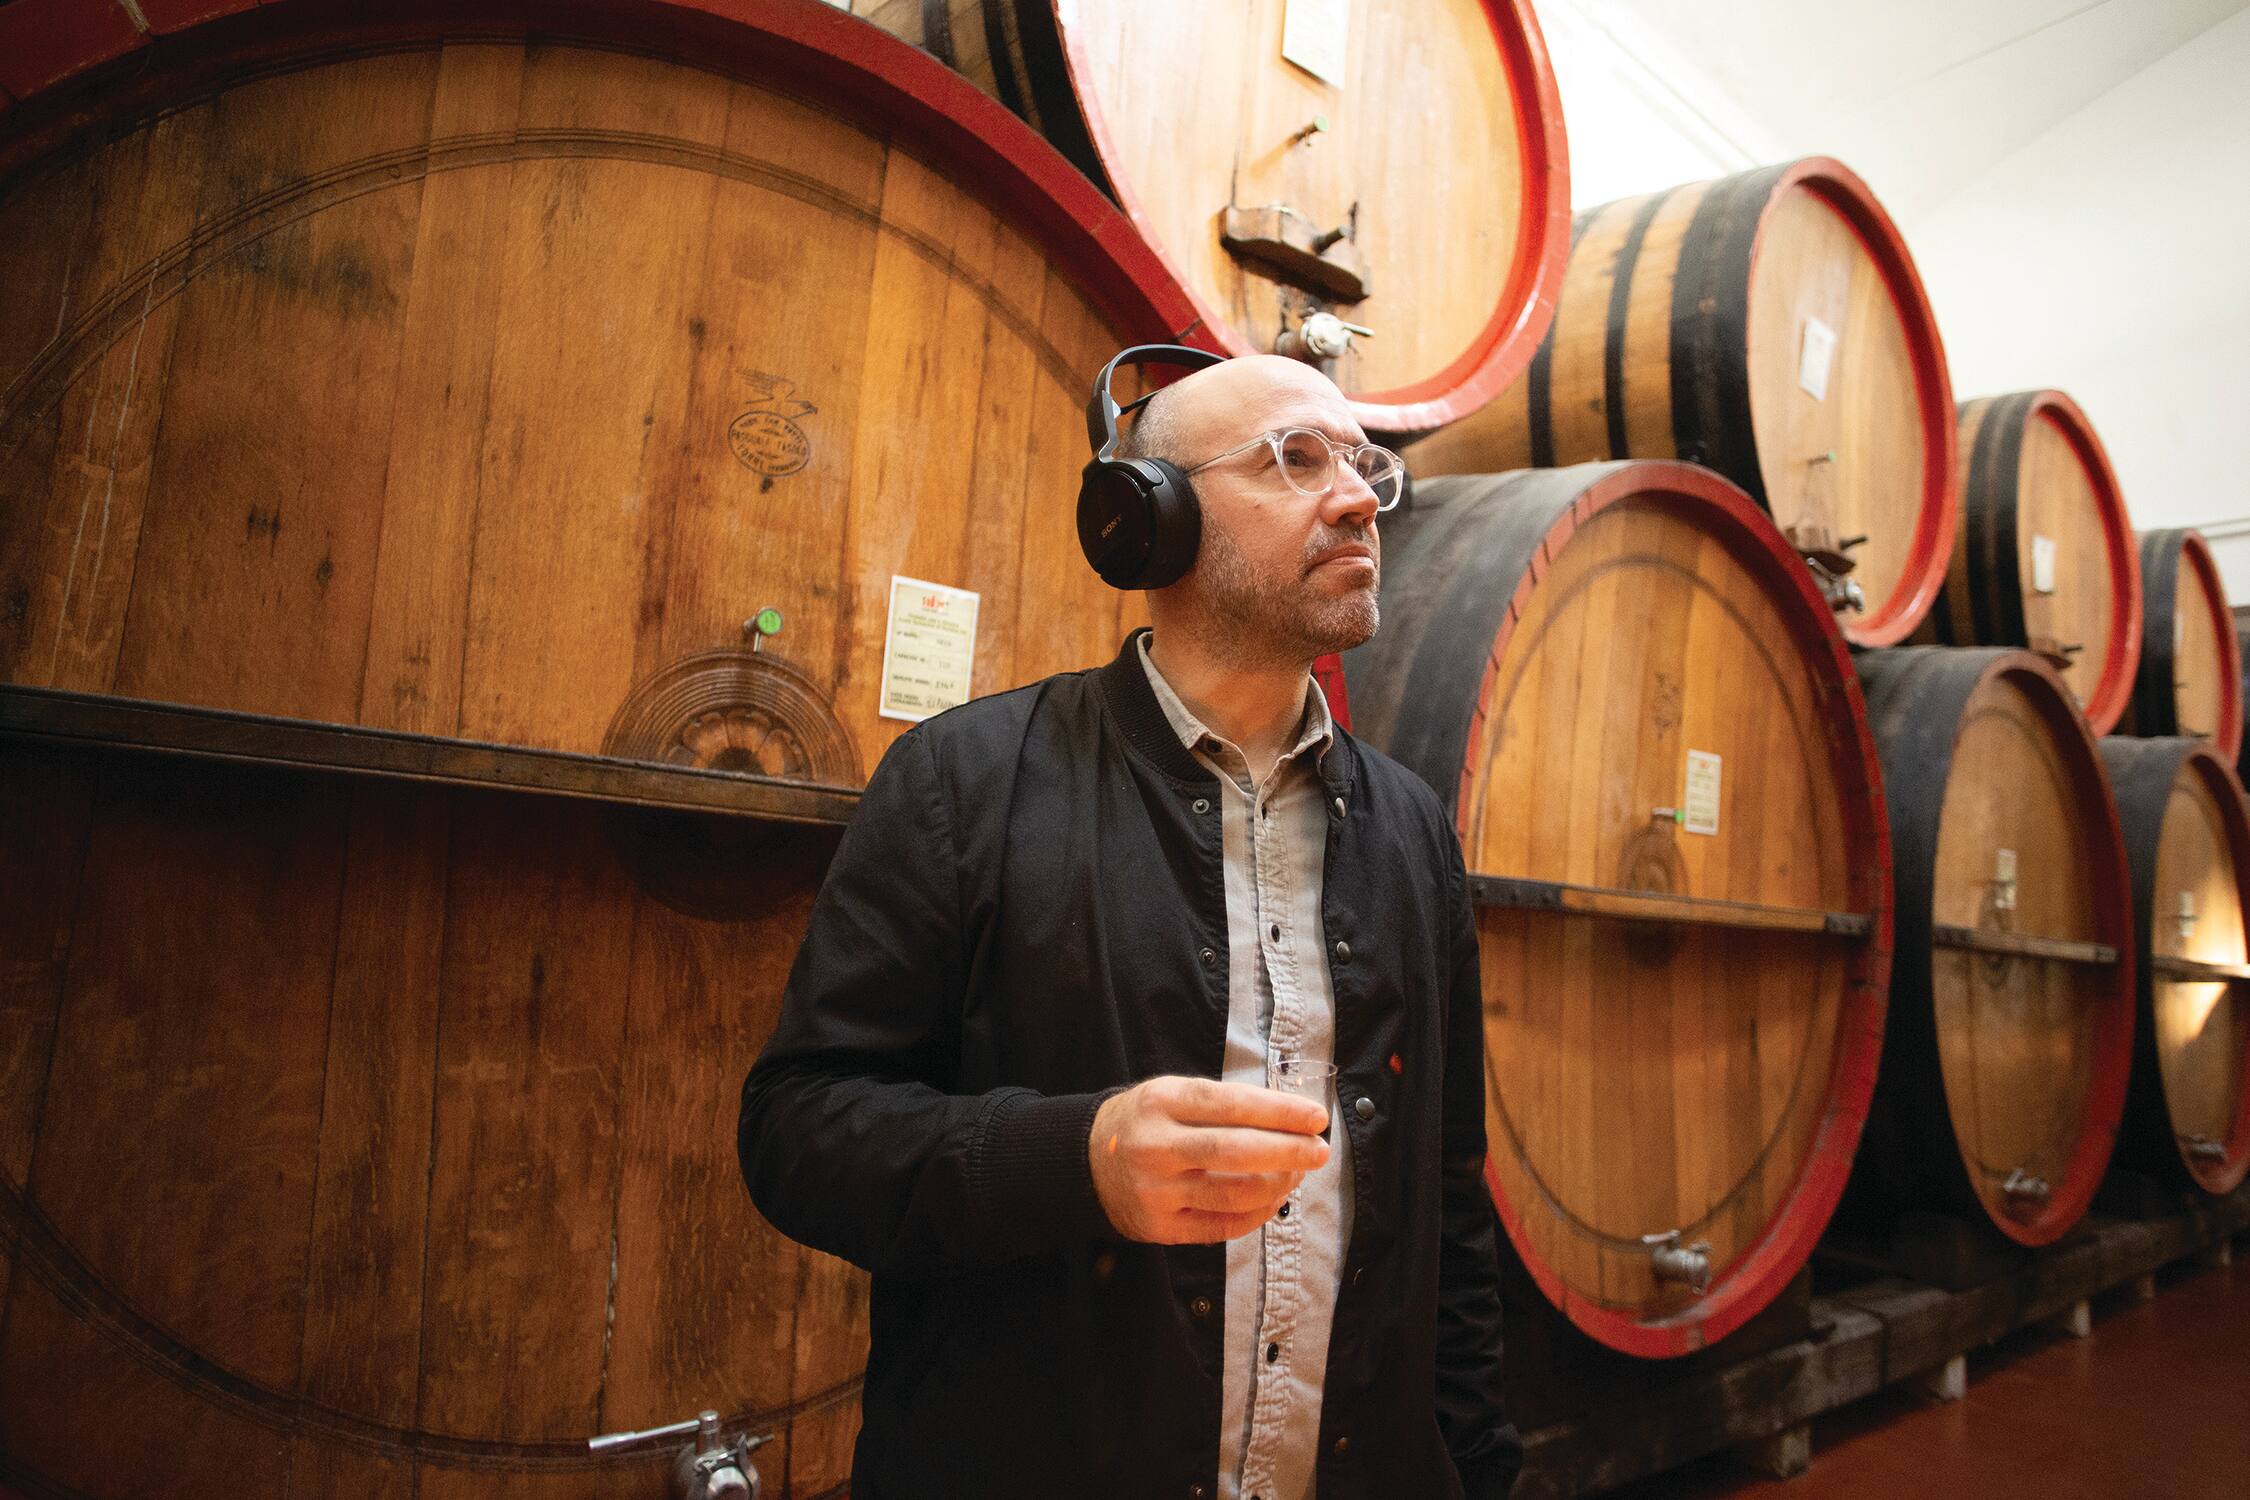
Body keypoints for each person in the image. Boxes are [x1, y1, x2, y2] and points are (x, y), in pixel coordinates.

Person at [737, 351, 1518, 1499]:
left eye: (1362, 465)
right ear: (1143, 518)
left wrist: (1477, 1471)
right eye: (1296, 460)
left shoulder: (1411, 831)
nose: (1358, 498)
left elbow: (1449, 1207)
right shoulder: (964, 781)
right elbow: (798, 1133)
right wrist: (1078, 1160)